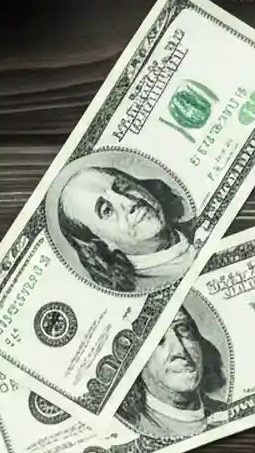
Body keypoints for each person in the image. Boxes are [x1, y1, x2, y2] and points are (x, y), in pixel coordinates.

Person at [55, 165, 196, 293]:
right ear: (102, 243)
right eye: (107, 210)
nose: (129, 202)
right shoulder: (142, 291)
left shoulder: (198, 224)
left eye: (121, 187)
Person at [115, 307, 227, 439]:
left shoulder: (226, 412)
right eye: (158, 339)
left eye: (183, 329)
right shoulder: (126, 428)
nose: (180, 351)